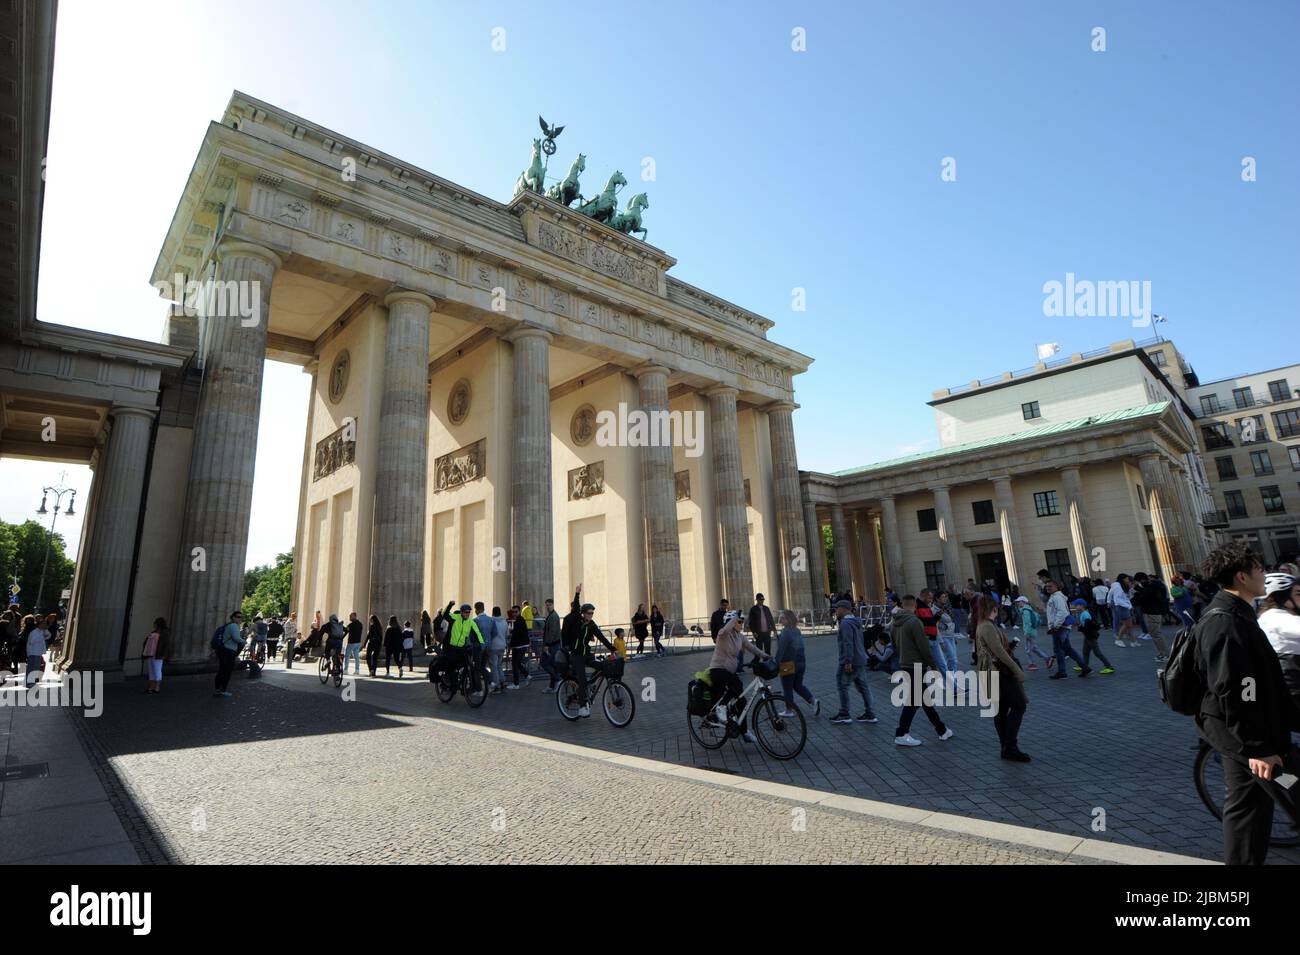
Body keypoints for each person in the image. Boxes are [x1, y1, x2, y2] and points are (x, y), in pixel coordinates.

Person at [1194, 545, 1300, 864]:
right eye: (1259, 570)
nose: (1264, 576)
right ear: (1242, 576)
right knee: (1289, 786)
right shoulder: (1226, 621)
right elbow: (1240, 690)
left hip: (1246, 737)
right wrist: (1257, 747)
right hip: (1250, 741)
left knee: (1247, 811)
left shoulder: (1240, 612)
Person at [890, 595, 952, 746]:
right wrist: (933, 665)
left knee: (924, 700)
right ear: (914, 606)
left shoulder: (894, 623)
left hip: (904, 663)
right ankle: (902, 733)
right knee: (915, 701)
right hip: (916, 664)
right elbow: (924, 646)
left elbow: (893, 644)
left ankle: (942, 729)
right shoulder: (914, 622)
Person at [974, 595, 1029, 761]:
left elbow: (994, 649)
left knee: (1001, 710)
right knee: (1018, 705)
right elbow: (998, 652)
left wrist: (1009, 647)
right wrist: (1016, 670)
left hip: (991, 671)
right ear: (995, 609)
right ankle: (1010, 746)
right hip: (998, 672)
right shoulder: (988, 626)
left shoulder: (983, 625)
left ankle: (1006, 747)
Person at [705, 611, 770, 742]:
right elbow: (724, 629)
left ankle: (744, 731)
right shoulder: (723, 634)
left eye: (742, 621)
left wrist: (766, 656)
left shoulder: (739, 636)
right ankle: (721, 707)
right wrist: (734, 618)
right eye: (739, 622)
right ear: (732, 622)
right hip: (718, 670)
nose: (741, 624)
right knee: (736, 684)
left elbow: (752, 648)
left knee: (742, 702)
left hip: (730, 672)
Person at [562, 585, 617, 718]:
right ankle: (581, 707)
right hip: (576, 655)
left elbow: (602, 637)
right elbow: (575, 609)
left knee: (603, 666)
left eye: (592, 613)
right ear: (583, 613)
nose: (591, 615)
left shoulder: (591, 625)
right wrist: (577, 593)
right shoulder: (576, 621)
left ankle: (589, 686)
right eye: (588, 613)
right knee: (581, 680)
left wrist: (613, 649)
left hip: (587, 654)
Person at [829, 599, 877, 725]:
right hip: (861, 659)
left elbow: (848, 643)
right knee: (863, 687)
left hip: (851, 660)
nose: (835, 610)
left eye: (837, 608)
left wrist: (847, 661)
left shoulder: (845, 624)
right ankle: (870, 713)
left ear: (843, 609)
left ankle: (844, 713)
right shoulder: (856, 622)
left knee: (842, 685)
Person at [1258, 573, 1300, 707]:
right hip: (1293, 686)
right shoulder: (1275, 617)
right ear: (1283, 597)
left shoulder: (1277, 615)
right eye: (1298, 594)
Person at [775, 608, 818, 717]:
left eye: (783, 618)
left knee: (787, 687)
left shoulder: (785, 632)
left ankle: (789, 711)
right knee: (798, 685)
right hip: (801, 662)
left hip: (788, 663)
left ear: (788, 619)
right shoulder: (797, 630)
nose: (780, 620)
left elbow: (782, 650)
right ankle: (813, 701)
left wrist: (776, 662)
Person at [1044, 580, 1090, 679]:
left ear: (1057, 587)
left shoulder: (1056, 598)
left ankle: (1062, 672)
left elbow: (1062, 612)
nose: (1047, 588)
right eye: (1046, 586)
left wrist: (1055, 626)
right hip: (1062, 627)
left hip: (1059, 628)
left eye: (1050, 586)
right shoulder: (1056, 597)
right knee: (1067, 649)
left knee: (1058, 650)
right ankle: (1084, 667)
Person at [1072, 597, 1114, 674]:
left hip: (1090, 637)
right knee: (1085, 652)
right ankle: (1084, 665)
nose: (1075, 607)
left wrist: (1080, 628)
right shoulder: (1083, 613)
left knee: (1097, 653)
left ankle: (1109, 667)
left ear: (1081, 605)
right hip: (1087, 636)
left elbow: (1088, 627)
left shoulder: (1085, 614)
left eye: (1076, 605)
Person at [1014, 595, 1051, 671]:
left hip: (1029, 632)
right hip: (1032, 632)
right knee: (1033, 648)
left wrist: (1027, 633)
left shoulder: (1026, 611)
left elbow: (1028, 623)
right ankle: (1047, 659)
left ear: (1024, 602)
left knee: (1028, 649)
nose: (1018, 603)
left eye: (1019, 602)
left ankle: (1032, 664)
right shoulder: (1028, 609)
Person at [214, 610, 244, 697]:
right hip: (229, 651)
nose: (240, 619)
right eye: (238, 617)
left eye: (241, 617)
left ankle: (217, 689)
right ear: (233, 617)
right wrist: (244, 641)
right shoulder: (234, 626)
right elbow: (236, 638)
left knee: (221, 670)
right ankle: (223, 690)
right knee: (227, 671)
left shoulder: (227, 625)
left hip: (222, 650)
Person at [539, 597, 563, 693]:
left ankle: (557, 679)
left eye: (549, 605)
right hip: (552, 644)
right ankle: (552, 685)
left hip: (552, 645)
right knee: (552, 665)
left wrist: (547, 645)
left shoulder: (553, 616)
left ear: (553, 605)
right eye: (547, 605)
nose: (548, 607)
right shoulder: (551, 615)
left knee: (544, 663)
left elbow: (552, 632)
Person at [142, 617, 168, 694]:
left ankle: (157, 687)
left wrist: (163, 654)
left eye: (155, 623)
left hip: (158, 654)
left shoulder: (164, 633)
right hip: (151, 653)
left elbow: (166, 645)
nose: (154, 624)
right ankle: (151, 686)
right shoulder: (154, 632)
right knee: (151, 670)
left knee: (157, 670)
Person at [1109, 574, 1136, 647]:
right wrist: (1129, 606)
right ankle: (1119, 640)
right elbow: (1118, 599)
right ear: (1123, 579)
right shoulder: (1118, 586)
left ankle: (1132, 641)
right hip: (1121, 607)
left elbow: (1127, 598)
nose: (1128, 581)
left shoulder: (1123, 586)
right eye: (1127, 579)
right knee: (1126, 624)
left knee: (1129, 625)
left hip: (1124, 606)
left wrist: (1131, 591)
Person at [508, 606, 531, 689]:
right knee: (517, 663)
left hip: (519, 646)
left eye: (516, 611)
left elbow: (517, 634)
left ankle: (516, 684)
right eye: (513, 611)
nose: (514, 613)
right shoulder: (519, 620)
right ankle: (526, 675)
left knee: (515, 664)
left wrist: (511, 643)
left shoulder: (519, 620)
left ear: (519, 611)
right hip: (521, 645)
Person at [487, 605, 507, 691]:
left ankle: (496, 685)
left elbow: (489, 633)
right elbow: (507, 633)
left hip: (493, 646)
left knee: (493, 666)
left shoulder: (491, 621)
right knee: (499, 665)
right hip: (502, 645)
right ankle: (502, 681)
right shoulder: (504, 622)